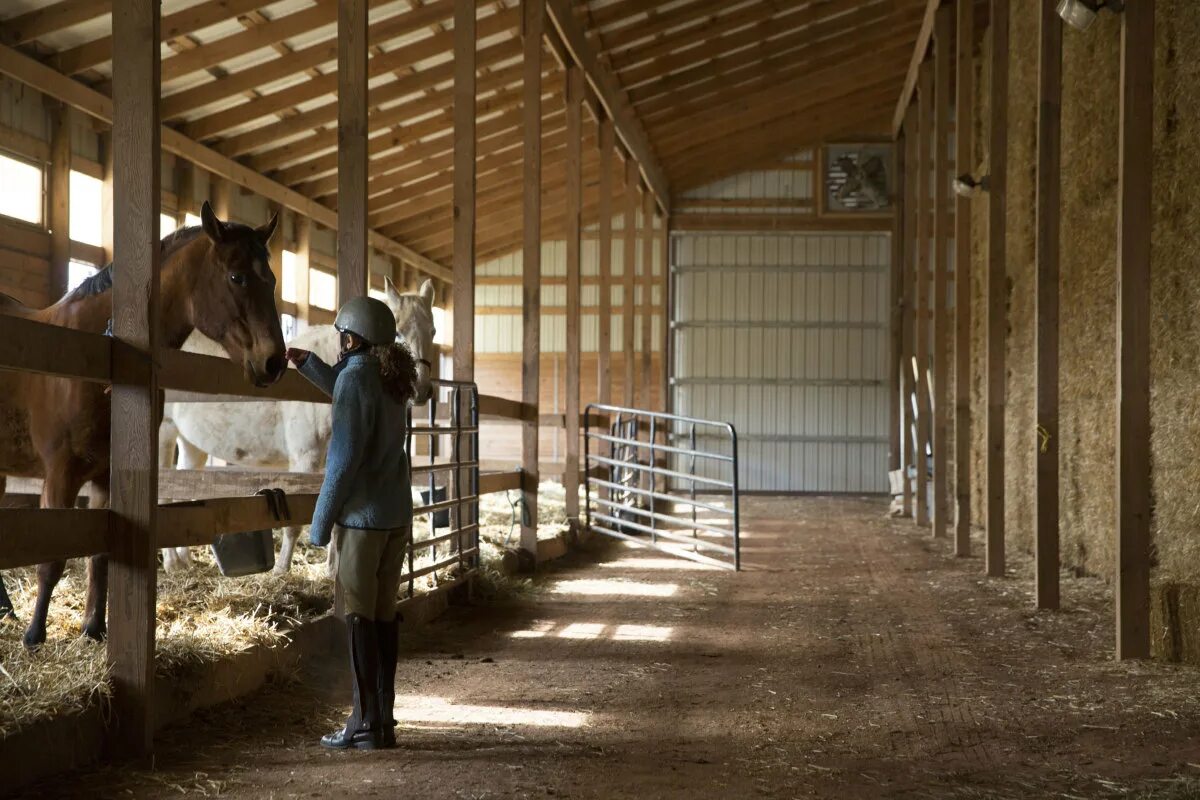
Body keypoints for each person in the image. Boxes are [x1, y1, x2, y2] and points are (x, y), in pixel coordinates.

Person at [285, 296, 418, 750]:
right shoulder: (392, 377)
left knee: (358, 618)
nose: (340, 345)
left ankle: (361, 722)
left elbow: (341, 460)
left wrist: (319, 525)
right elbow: (353, 392)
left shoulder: (357, 377)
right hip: (395, 517)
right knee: (383, 616)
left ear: (353, 339)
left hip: (361, 522)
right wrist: (311, 366)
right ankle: (382, 720)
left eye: (344, 337)